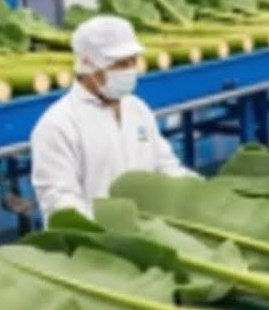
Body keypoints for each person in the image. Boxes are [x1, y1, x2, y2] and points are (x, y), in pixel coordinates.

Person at [30, 16, 197, 222]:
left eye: (133, 61)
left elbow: (164, 167)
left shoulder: (138, 109)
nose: (129, 70)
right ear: (88, 65)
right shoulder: (59, 125)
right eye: (119, 64)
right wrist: (113, 230)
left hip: (149, 234)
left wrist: (199, 191)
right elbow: (60, 202)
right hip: (96, 243)